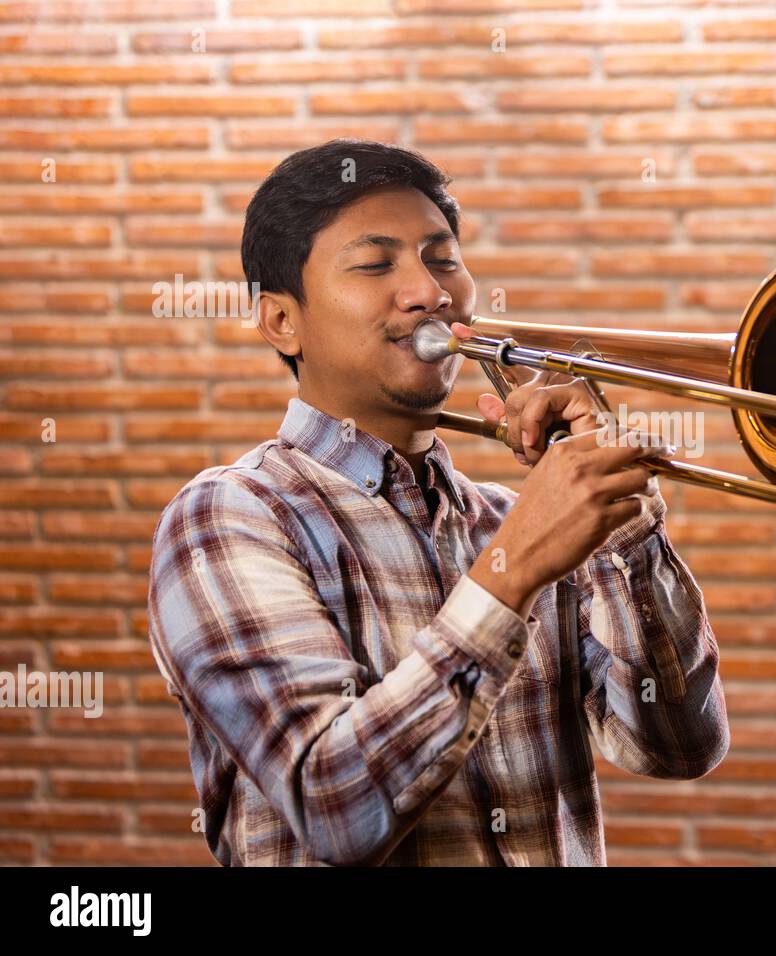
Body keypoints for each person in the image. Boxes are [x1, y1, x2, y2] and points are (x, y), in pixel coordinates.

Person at [146, 139, 730, 866]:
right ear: (281, 322)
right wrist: (512, 571)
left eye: (443, 256)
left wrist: (621, 530)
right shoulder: (231, 515)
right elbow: (335, 807)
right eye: (374, 263)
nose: (429, 291)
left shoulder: (512, 516)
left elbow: (678, 747)